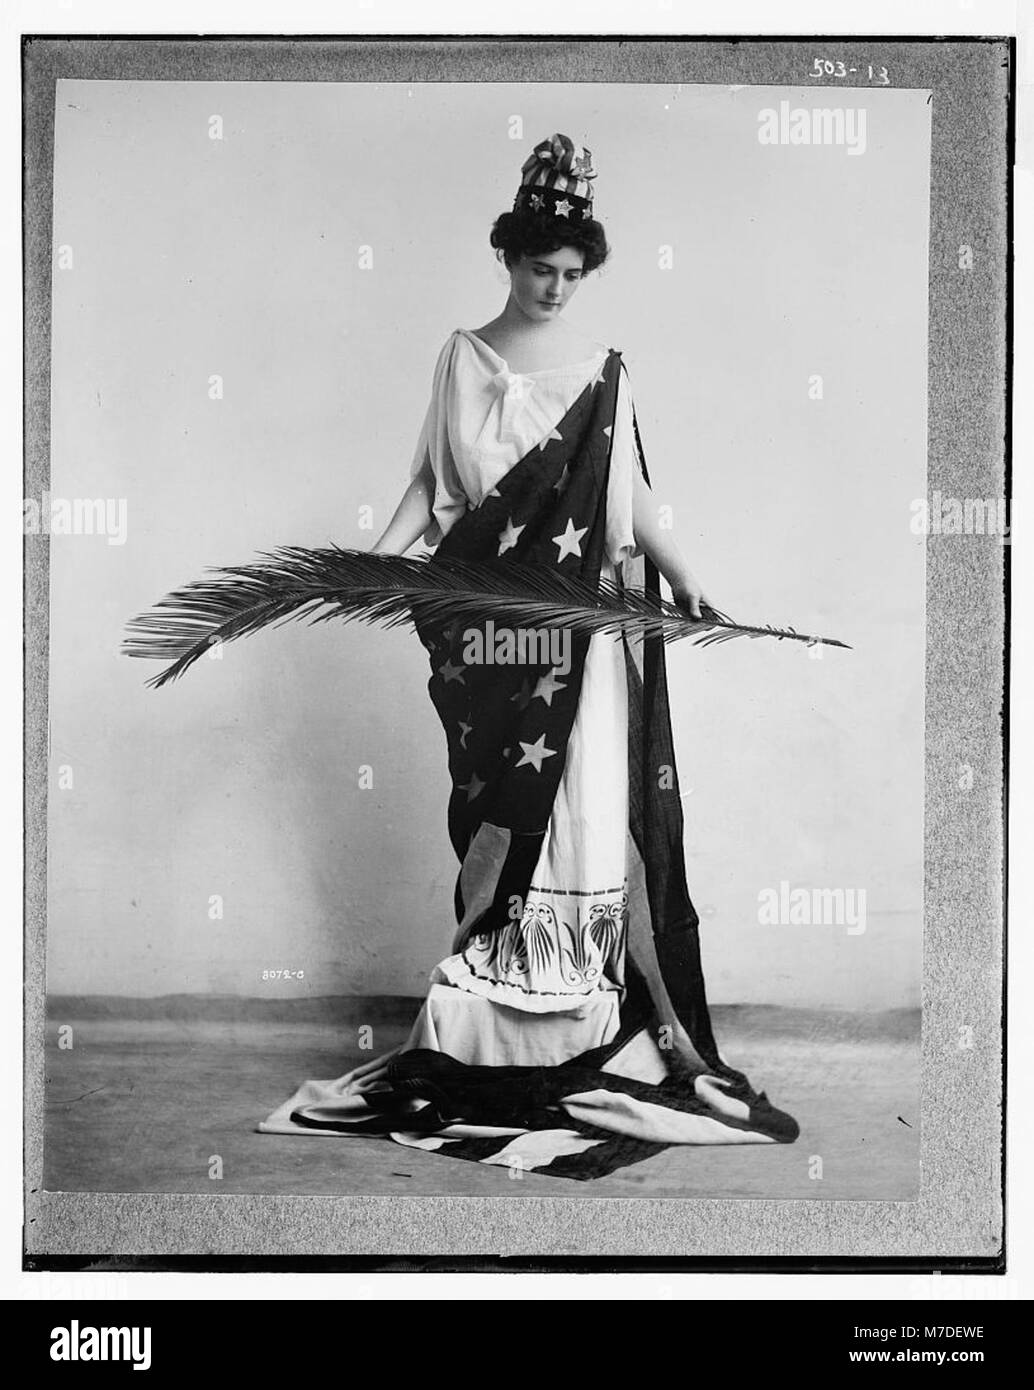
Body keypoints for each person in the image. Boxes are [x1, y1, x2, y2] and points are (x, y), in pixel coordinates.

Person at [260, 134, 798, 1179]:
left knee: (581, 810)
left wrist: (680, 570)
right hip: (487, 640)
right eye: (535, 268)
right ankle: (490, 998)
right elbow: (426, 487)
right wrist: (366, 568)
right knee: (497, 808)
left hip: (580, 639)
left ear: (585, 272)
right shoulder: (459, 356)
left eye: (569, 274)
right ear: (506, 258)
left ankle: (570, 1012)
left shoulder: (602, 373)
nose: (551, 288)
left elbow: (626, 494)